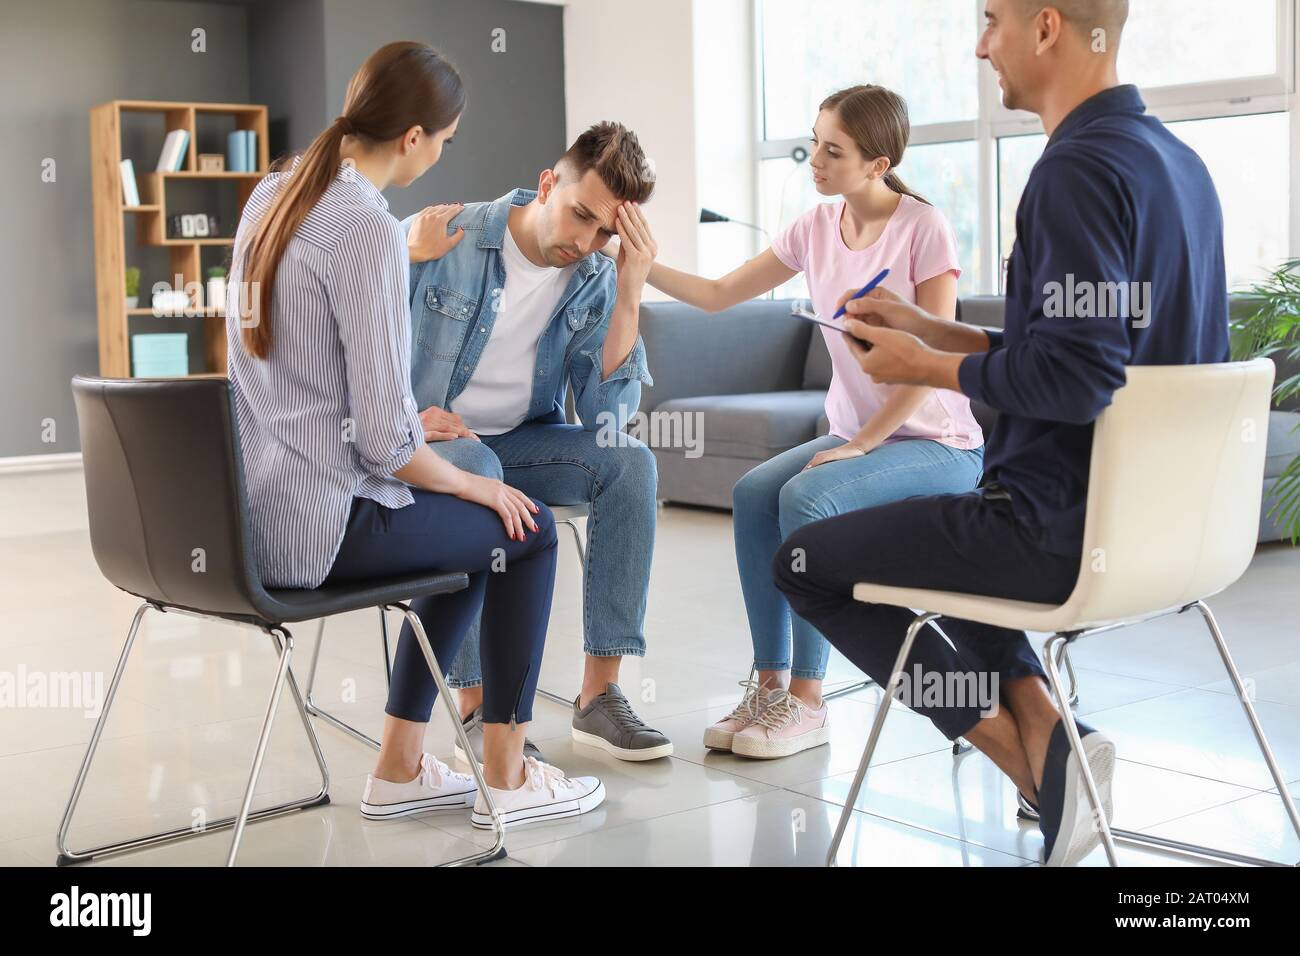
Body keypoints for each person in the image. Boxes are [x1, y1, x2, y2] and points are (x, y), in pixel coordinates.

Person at [773, 0, 1230, 864]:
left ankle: (1030, 756)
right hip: (1171, 534)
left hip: (1056, 530)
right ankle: (1055, 736)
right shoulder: (1178, 164)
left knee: (801, 561)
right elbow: (1107, 352)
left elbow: (1078, 377)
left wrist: (925, 370)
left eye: (991, 22)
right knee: (954, 577)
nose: (983, 47)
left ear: (1048, 27)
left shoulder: (1075, 170)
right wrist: (938, 333)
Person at [225, 41, 604, 830]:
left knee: (465, 542)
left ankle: (402, 765)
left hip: (247, 518)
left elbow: (293, 374)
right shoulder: (366, 225)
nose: (440, 154)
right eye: (446, 139)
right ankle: (506, 772)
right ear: (414, 138)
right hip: (318, 531)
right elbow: (389, 448)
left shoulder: (273, 192)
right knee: (520, 530)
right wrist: (476, 480)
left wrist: (398, 414)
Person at [640, 85, 984, 759]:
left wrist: (858, 443)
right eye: (815, 143)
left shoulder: (923, 227)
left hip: (937, 442)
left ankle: (808, 698)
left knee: (807, 494)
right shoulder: (815, 227)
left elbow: (933, 354)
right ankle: (768, 684)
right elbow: (717, 296)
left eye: (834, 151)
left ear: (878, 163)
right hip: (858, 437)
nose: (816, 161)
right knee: (752, 494)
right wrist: (641, 262)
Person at [402, 122, 674, 762]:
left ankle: (598, 696)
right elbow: (353, 341)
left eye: (607, 232)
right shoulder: (447, 235)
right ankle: (476, 707)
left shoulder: (596, 276)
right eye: (581, 216)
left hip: (524, 445)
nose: (587, 242)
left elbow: (608, 418)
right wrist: (405, 419)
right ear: (549, 183)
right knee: (475, 464)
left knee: (629, 463)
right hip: (431, 450)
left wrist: (630, 287)